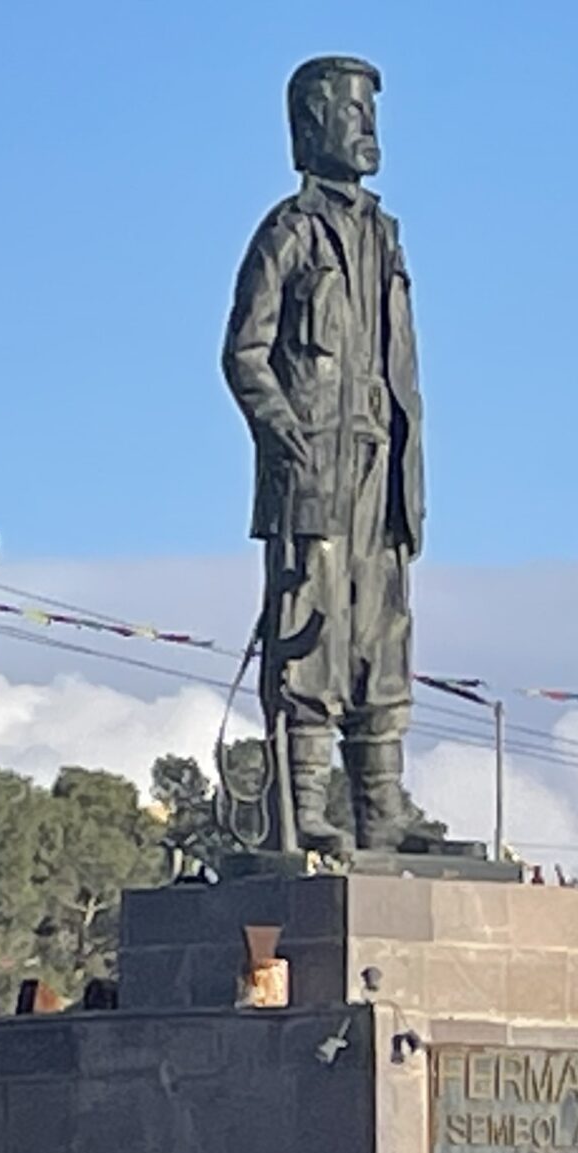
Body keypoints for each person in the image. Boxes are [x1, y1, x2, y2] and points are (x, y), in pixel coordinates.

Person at [223, 55, 425, 853]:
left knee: (382, 632)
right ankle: (304, 809)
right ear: (309, 126)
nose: (368, 128)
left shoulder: (386, 233)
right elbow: (245, 353)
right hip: (315, 474)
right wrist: (288, 439)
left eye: (373, 112)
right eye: (352, 111)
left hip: (385, 474)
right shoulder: (289, 231)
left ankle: (383, 813)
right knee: (313, 633)